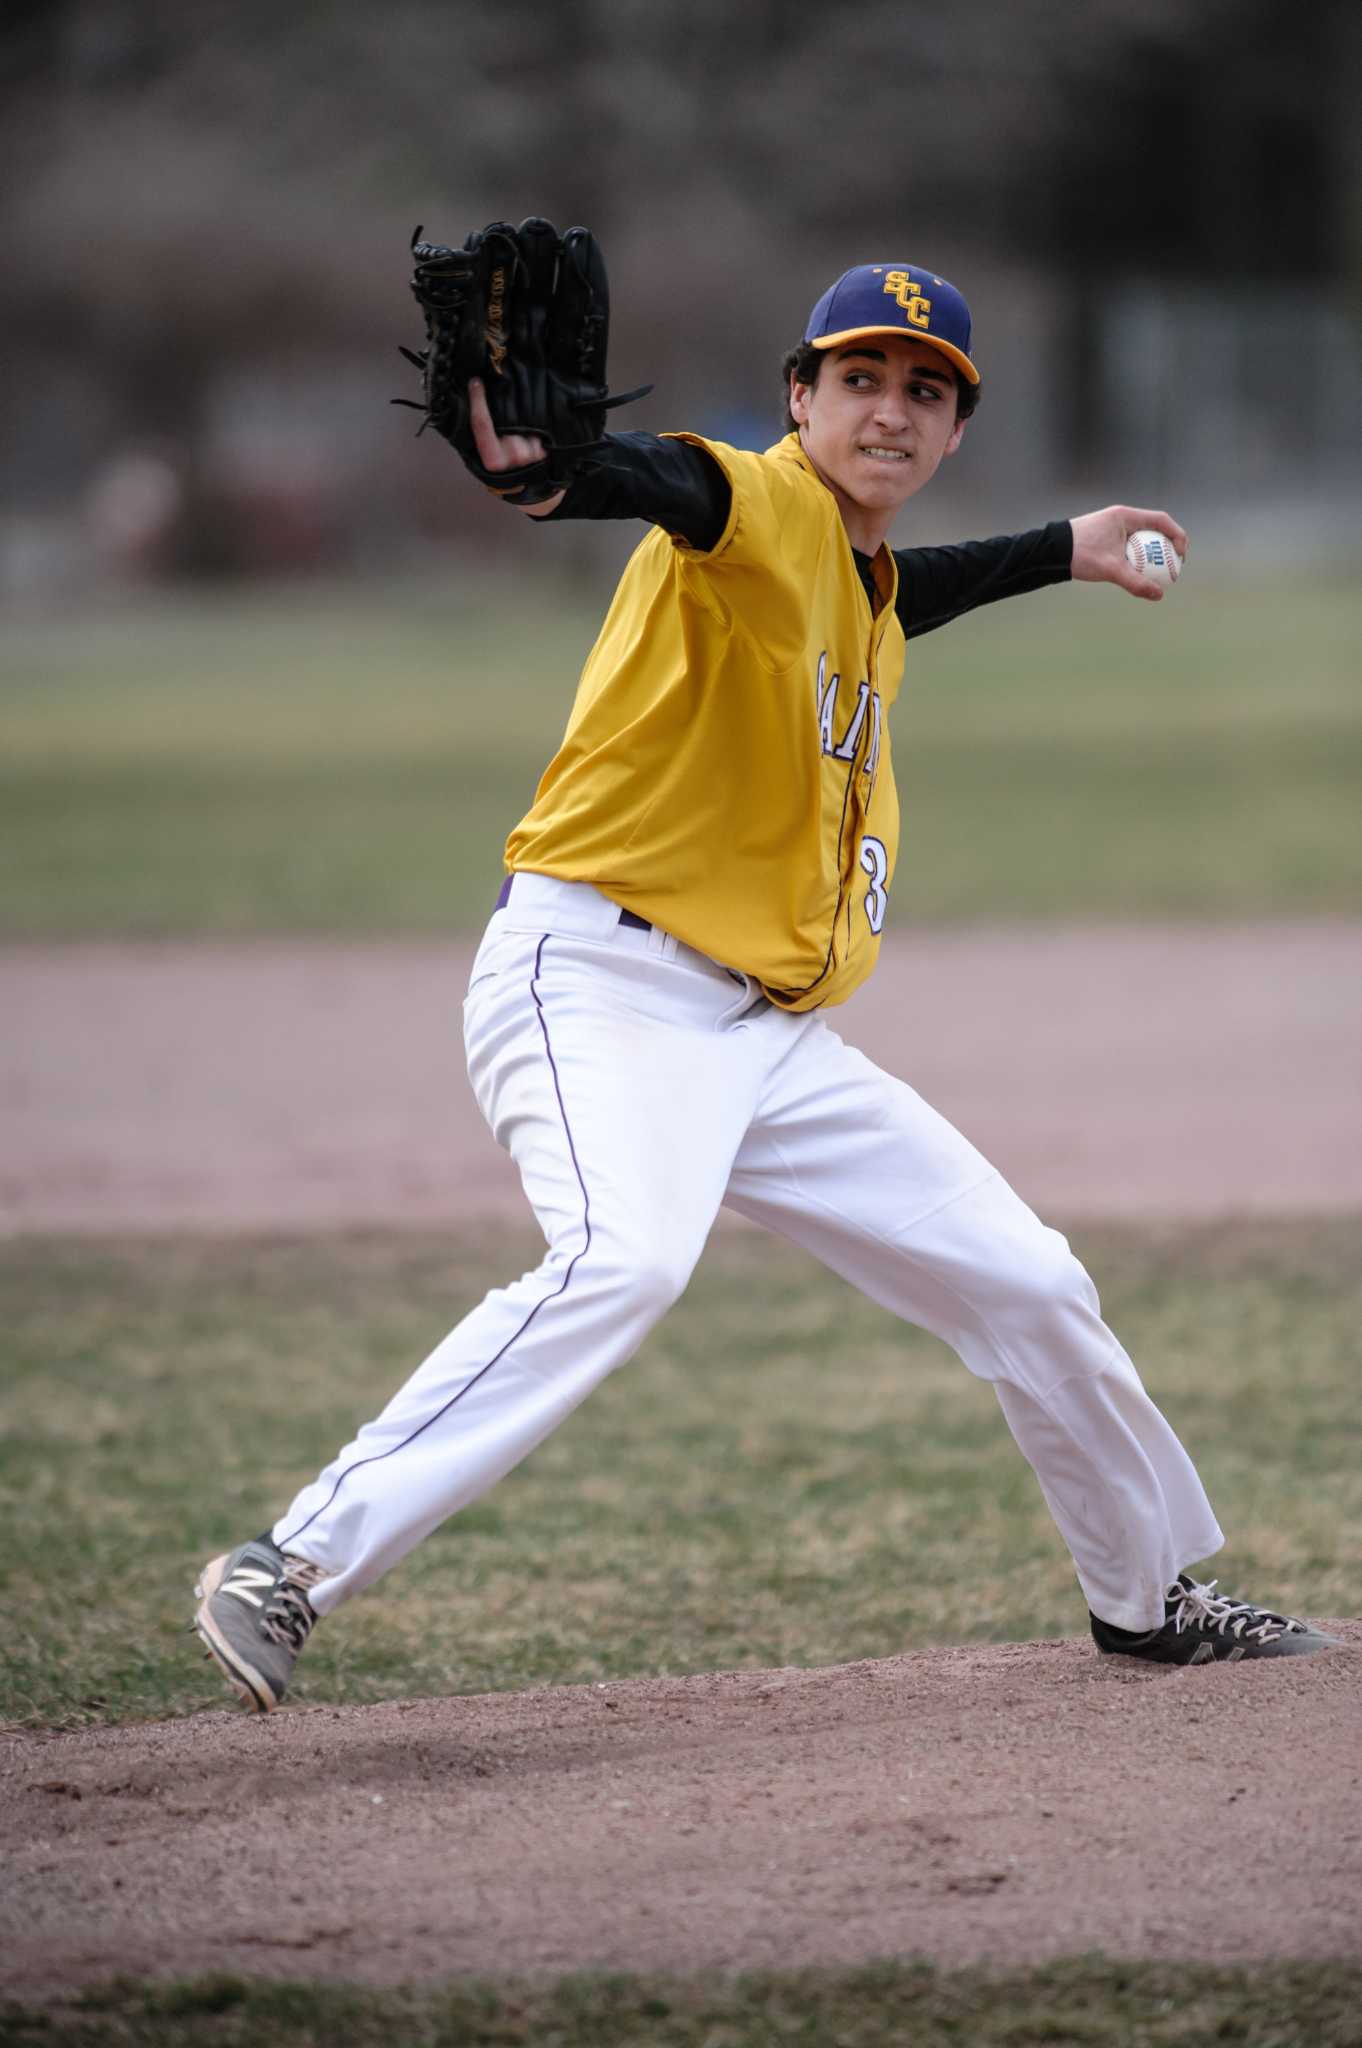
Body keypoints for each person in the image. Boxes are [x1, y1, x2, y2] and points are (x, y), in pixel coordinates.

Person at [193, 257, 1338, 1711]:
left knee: (1030, 1281)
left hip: (762, 1032)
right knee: (626, 1260)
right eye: (857, 379)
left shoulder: (840, 578)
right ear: (798, 400)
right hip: (598, 979)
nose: (889, 411)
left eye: (925, 392)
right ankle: (288, 1564)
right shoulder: (756, 506)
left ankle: (1144, 1600)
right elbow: (664, 486)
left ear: (954, 431)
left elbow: (895, 592)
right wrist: (558, 479)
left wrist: (1064, 547)